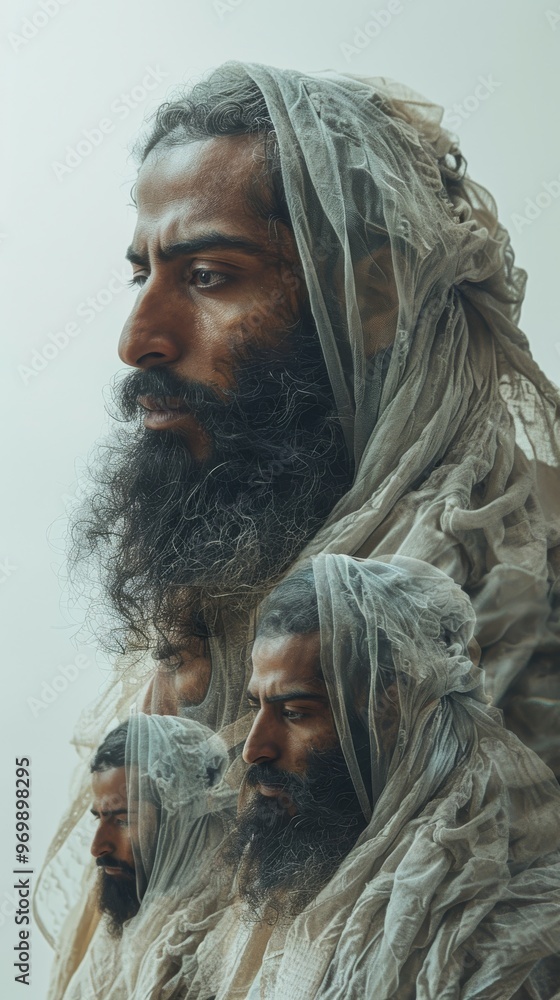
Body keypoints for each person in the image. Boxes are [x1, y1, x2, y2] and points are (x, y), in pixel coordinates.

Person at [38, 60, 560, 982]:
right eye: (141, 274)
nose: (139, 338)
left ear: (372, 297)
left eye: (207, 274)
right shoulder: (228, 594)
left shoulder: (522, 584)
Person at [192, 555, 560, 999]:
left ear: (391, 709)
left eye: (294, 713)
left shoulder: (476, 868)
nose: (253, 749)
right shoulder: (323, 831)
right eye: (257, 707)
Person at [55, 713, 236, 1000]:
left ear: (179, 821)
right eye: (98, 819)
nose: (97, 847)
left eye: (123, 820)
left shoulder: (218, 934)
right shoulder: (122, 925)